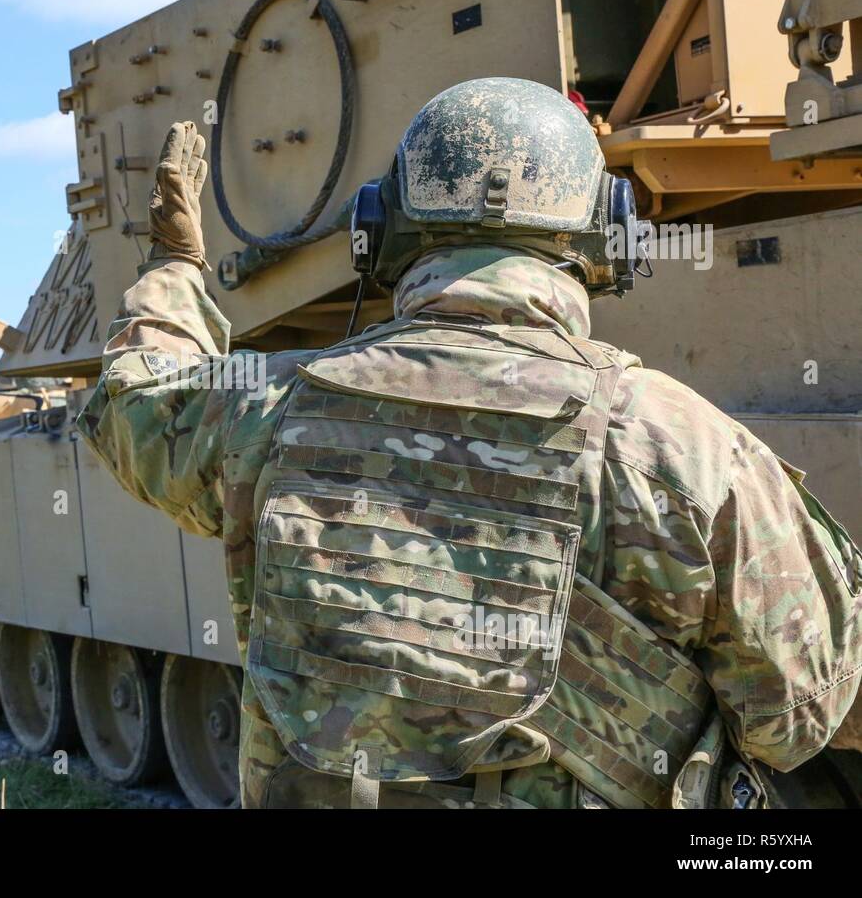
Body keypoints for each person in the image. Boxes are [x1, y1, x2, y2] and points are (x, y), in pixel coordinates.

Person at [76, 78, 862, 809]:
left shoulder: (267, 411)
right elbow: (791, 719)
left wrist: (176, 271)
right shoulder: (687, 447)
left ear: (378, 232)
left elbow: (133, 403)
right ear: (607, 240)